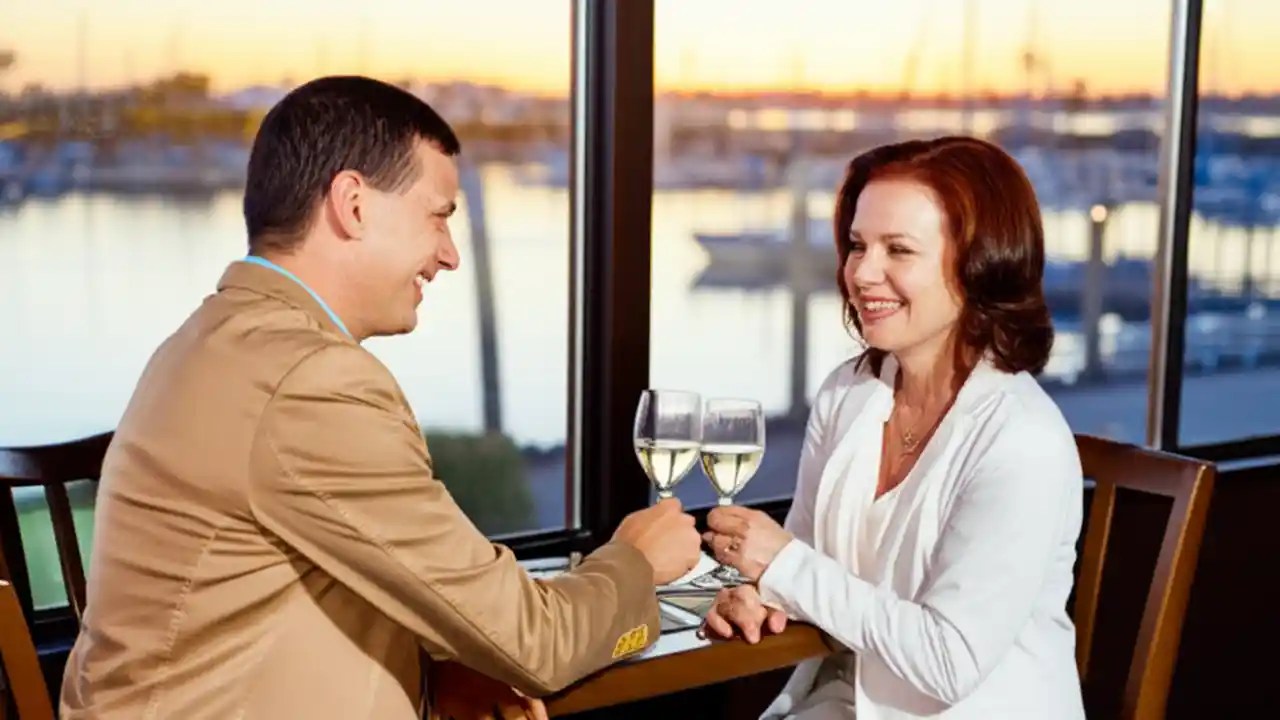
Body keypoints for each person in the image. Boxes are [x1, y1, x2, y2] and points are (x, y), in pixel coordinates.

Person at [59, 75, 702, 720]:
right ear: (354, 203)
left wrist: (436, 674)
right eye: (438, 216)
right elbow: (535, 643)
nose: (450, 256)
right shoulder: (310, 382)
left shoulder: (211, 340)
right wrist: (636, 563)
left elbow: (286, 594)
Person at [702, 136, 1086, 719]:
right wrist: (757, 596)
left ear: (979, 265)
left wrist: (784, 568)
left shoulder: (1022, 440)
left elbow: (950, 658)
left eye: (898, 250)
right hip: (842, 703)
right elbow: (801, 567)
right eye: (858, 245)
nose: (863, 272)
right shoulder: (848, 392)